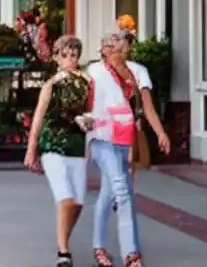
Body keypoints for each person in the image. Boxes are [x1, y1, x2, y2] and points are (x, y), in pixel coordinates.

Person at [86, 30, 171, 267]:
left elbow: (147, 106)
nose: (116, 47)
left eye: (120, 43)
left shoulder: (138, 71)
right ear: (103, 49)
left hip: (126, 138)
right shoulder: (93, 71)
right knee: (122, 191)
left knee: (110, 193)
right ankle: (131, 255)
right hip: (102, 138)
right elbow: (81, 102)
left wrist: (160, 132)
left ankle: (99, 246)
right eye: (110, 44)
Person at [25, 36, 93, 267]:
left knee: (78, 202)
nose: (70, 60)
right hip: (52, 143)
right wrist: (31, 148)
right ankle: (63, 252)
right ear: (56, 57)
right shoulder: (52, 84)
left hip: (76, 144)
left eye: (74, 55)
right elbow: (39, 116)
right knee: (65, 199)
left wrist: (89, 122)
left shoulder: (86, 82)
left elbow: (92, 110)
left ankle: (64, 239)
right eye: (65, 55)